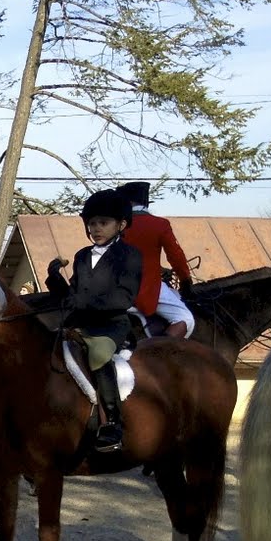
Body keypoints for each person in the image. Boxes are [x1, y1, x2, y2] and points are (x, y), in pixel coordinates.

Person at [65, 188, 142, 452]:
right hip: (79, 322)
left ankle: (112, 423)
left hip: (111, 325)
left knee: (98, 353)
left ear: (121, 224)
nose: (96, 228)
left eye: (103, 223)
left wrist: (82, 303)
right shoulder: (82, 256)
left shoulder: (130, 255)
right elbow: (73, 293)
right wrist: (54, 279)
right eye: (92, 223)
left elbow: (124, 298)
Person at [115, 181, 194, 338]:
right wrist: (186, 281)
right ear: (145, 202)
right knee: (185, 318)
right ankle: (159, 353)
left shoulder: (114, 225)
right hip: (145, 289)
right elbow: (175, 256)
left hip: (112, 289)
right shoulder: (160, 224)